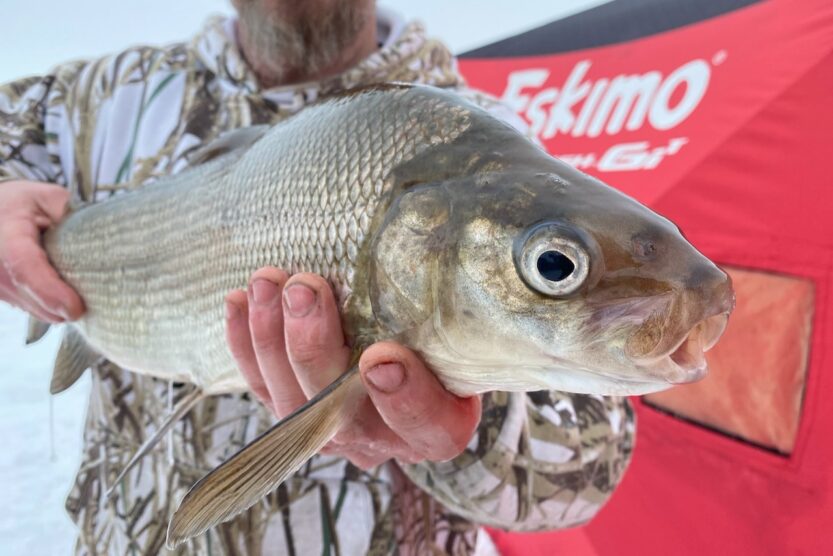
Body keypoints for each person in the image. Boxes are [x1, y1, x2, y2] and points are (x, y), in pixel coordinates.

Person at [0, 1, 635, 554]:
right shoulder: (94, 98)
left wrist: (461, 417)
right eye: (554, 264)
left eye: (554, 265)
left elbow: (587, 468)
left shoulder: (495, 142)